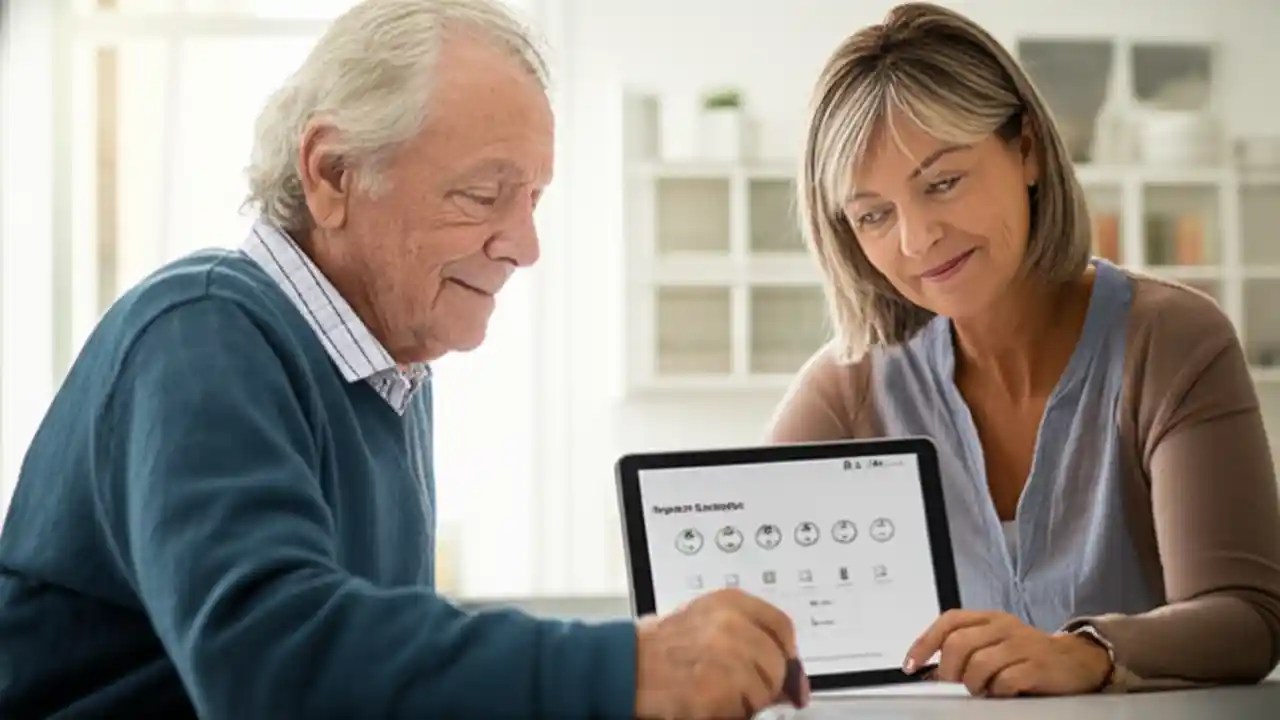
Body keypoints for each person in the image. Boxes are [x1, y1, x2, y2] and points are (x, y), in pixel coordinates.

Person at [0, 1, 808, 718]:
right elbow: (271, 663)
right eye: (482, 195)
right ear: (333, 174)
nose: (525, 245)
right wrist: (628, 667)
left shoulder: (389, 372)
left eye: (533, 199)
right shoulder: (204, 333)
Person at [770, 1, 1280, 698]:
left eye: (943, 183)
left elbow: (1247, 618)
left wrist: (1089, 652)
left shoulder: (1171, 342)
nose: (917, 240)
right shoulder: (845, 388)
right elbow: (749, 619)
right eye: (874, 215)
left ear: (1028, 149)